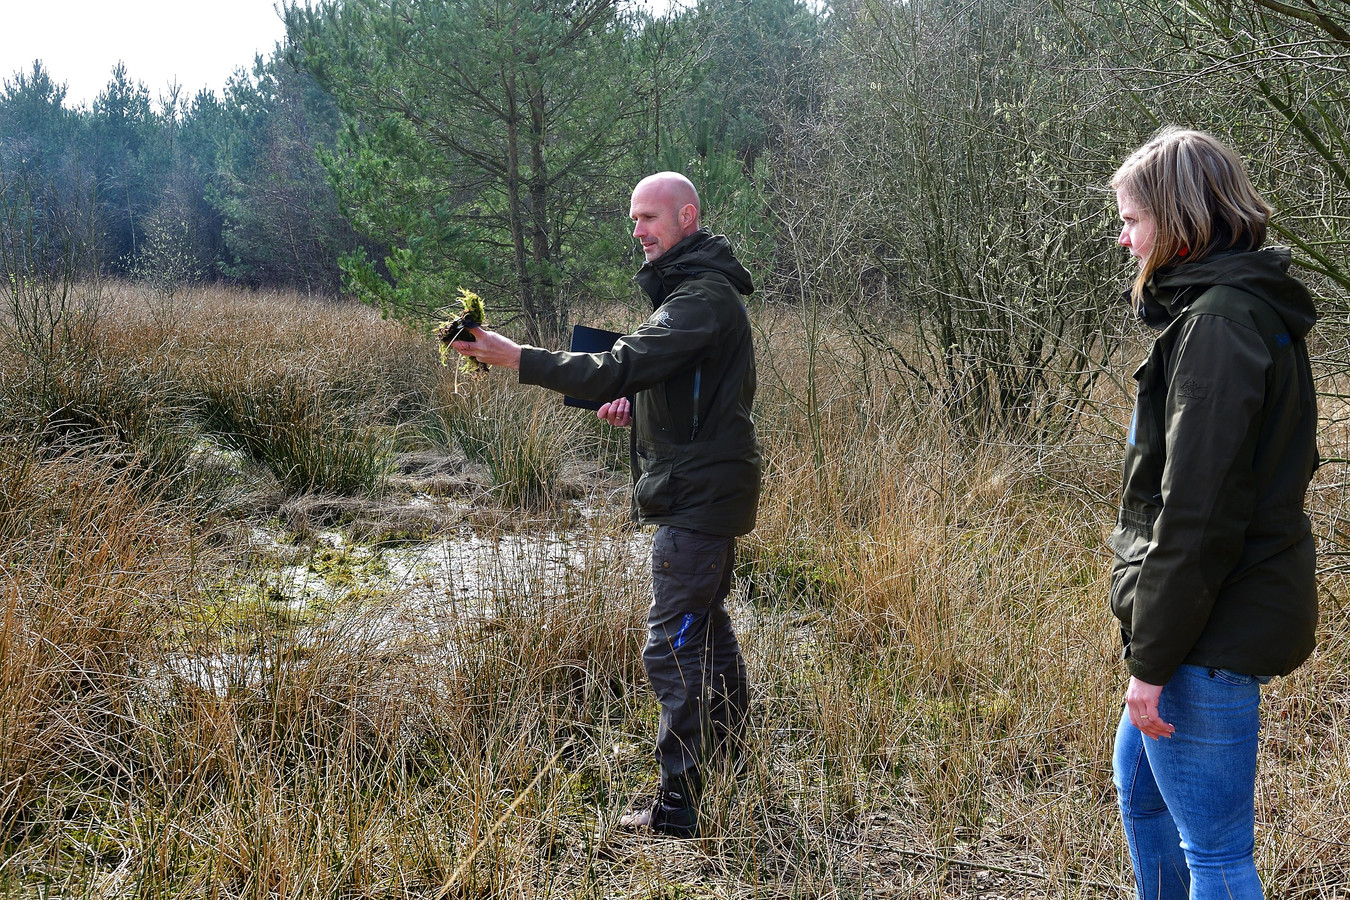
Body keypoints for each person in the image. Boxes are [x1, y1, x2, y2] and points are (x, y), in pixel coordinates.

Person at [451, 171, 759, 838]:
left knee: (669, 648)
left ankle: (680, 804)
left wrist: (515, 357)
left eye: (650, 217)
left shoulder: (701, 298)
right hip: (707, 491)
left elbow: (618, 363)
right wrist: (638, 406)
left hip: (698, 499)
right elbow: (675, 386)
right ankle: (733, 752)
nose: (640, 231)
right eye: (633, 221)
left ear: (688, 216)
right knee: (704, 627)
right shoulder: (694, 293)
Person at [1107, 128, 1319, 899]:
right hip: (1203, 619)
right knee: (1138, 790)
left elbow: (1196, 518)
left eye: (1132, 221)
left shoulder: (1221, 324)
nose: (1124, 240)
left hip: (1209, 631)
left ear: (1179, 216)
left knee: (1219, 855)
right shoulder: (1221, 310)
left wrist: (1153, 662)